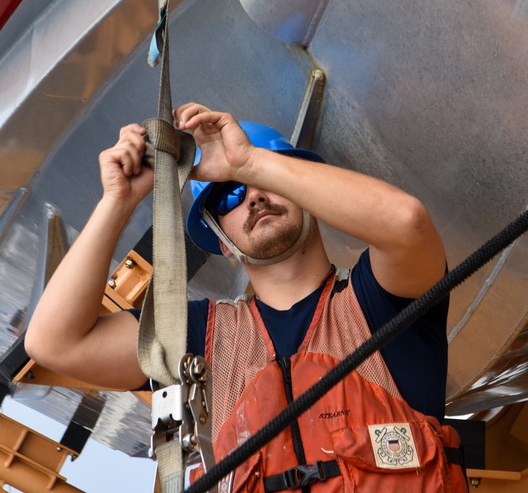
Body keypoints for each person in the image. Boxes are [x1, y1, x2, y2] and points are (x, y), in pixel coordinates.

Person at [26, 103, 461, 492]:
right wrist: (118, 200)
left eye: (264, 179)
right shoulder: (201, 338)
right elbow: (55, 343)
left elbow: (407, 223)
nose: (252, 195)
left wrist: (249, 162)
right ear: (222, 243)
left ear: (309, 195)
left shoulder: (380, 305)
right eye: (230, 194)